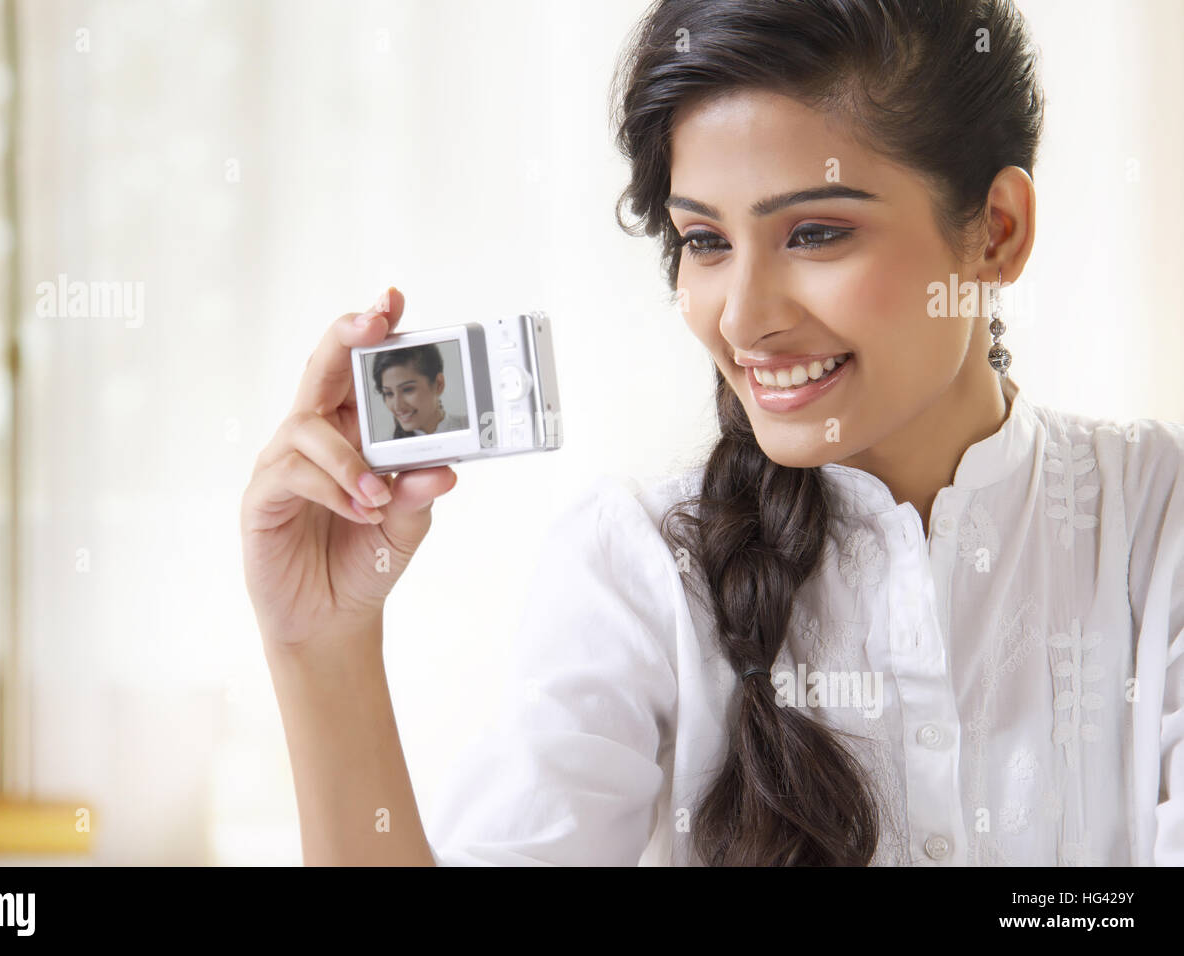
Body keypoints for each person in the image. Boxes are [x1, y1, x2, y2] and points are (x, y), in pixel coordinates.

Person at [239, 0, 1184, 866]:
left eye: (814, 234)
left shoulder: (1152, 521)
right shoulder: (638, 569)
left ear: (998, 233)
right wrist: (322, 647)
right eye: (705, 241)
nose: (742, 320)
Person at [372, 345, 469, 440]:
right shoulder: (384, 450)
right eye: (389, 393)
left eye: (407, 389)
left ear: (439, 384)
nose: (397, 406)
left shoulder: (475, 428)